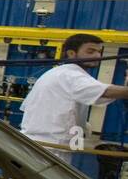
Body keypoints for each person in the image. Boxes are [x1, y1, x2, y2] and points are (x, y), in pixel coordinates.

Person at [20, 33, 128, 163]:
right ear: (71, 53)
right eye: (90, 51)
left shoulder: (58, 73)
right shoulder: (70, 75)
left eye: (99, 51)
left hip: (41, 146)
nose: (97, 56)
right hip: (49, 149)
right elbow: (106, 92)